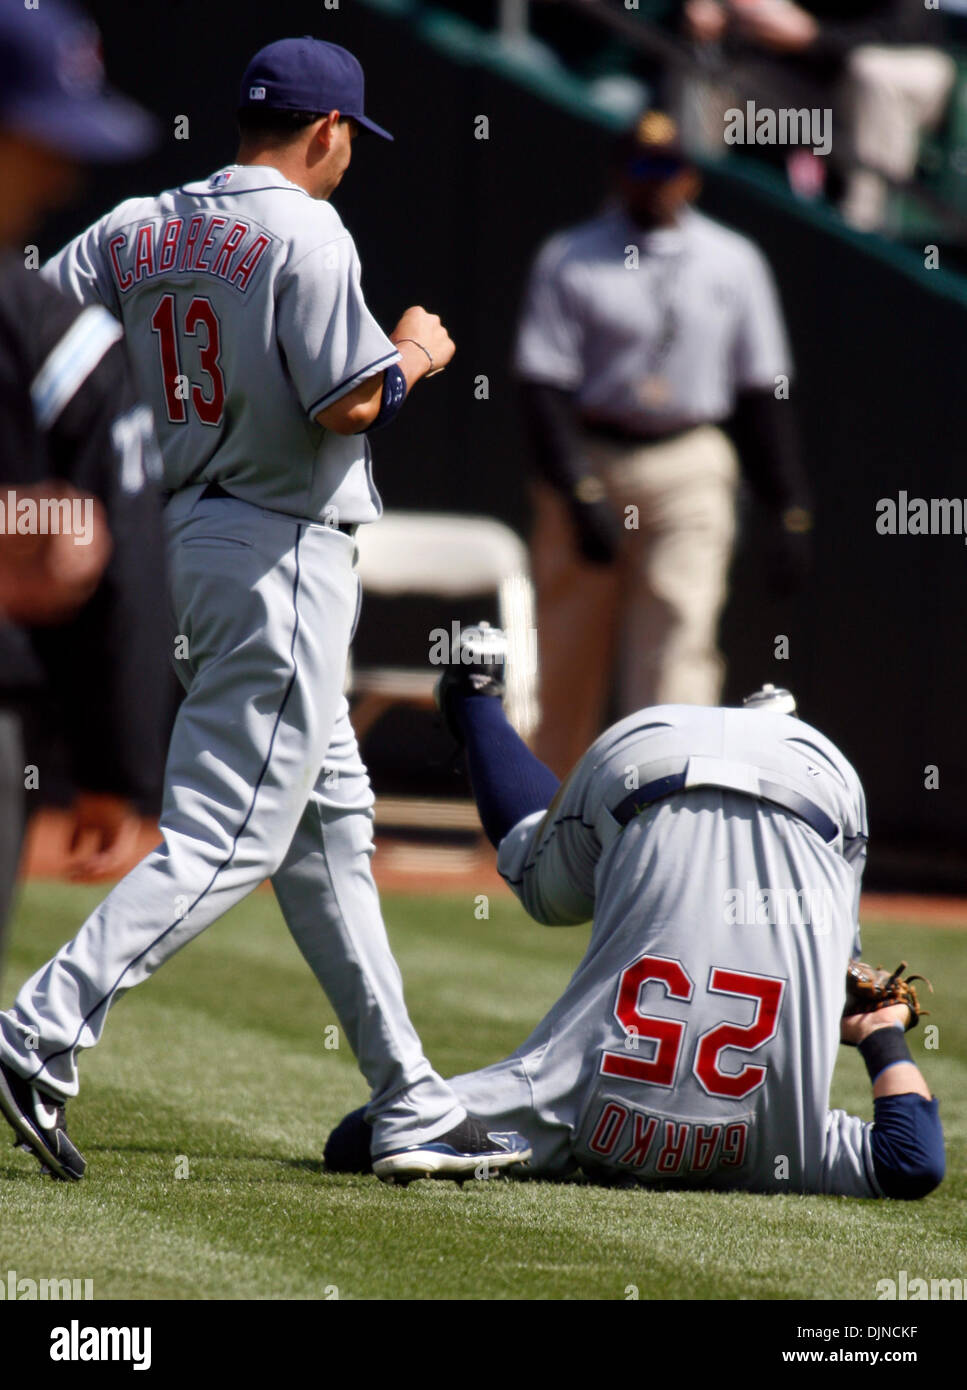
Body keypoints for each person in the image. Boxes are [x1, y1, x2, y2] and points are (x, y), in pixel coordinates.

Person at [0, 35, 529, 1185]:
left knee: (331, 824)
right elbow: (347, 406)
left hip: (177, 536)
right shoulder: (303, 227)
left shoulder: (141, 222)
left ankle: (409, 1101)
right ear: (329, 131)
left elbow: (38, 321)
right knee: (225, 831)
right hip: (277, 550)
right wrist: (418, 354)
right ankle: (36, 1030)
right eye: (351, 141)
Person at [326, 643, 944, 1200]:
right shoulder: (566, 1109)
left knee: (834, 952)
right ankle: (477, 694)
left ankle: (769, 728)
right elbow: (358, 1140)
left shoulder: (785, 1146)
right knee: (541, 879)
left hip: (813, 782)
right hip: (652, 761)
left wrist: (880, 1030)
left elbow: (912, 1161)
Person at [516, 111, 810, 778]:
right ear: (618, 174)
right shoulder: (571, 255)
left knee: (677, 645)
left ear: (692, 178)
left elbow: (763, 392)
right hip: (593, 452)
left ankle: (668, 806)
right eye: (639, 167)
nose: (652, 183)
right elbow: (540, 384)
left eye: (666, 168)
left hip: (688, 458)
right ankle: (544, 822)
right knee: (563, 654)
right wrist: (576, 486)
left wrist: (788, 504)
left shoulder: (733, 259)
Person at [0, 0, 166, 980]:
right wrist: (116, 768)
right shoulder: (53, 332)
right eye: (39, 137)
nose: (66, 170)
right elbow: (124, 566)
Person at [682, 0, 956, 230]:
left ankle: (865, 230)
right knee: (715, 79)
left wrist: (815, 37)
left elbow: (903, 33)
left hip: (909, 67)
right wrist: (723, 12)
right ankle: (690, 204)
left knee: (874, 74)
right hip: (817, 76)